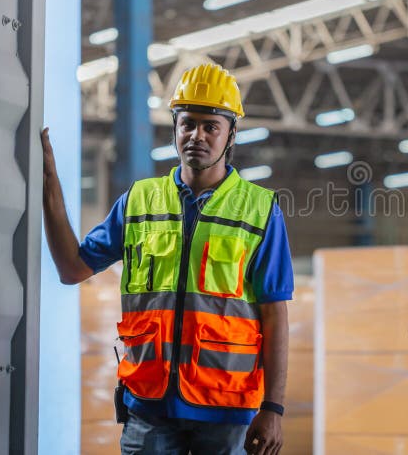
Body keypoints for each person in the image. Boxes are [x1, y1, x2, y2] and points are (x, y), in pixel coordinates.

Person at [41, 62, 294, 455]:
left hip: (226, 410)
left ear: (231, 135)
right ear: (175, 127)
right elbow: (72, 268)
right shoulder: (138, 201)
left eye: (211, 126)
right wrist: (49, 187)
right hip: (149, 405)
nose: (197, 135)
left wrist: (273, 408)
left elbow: (275, 315)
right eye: (188, 123)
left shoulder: (260, 210)